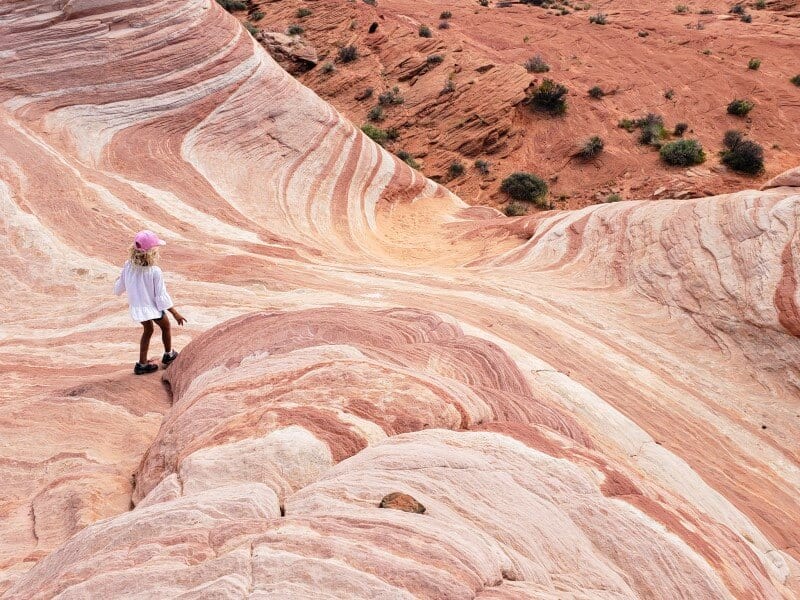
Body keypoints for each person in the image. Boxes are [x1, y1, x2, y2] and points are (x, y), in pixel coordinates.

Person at [114, 230, 186, 374]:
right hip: (151, 308)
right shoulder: (154, 271)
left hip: (137, 307)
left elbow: (120, 285)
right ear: (151, 252)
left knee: (148, 330)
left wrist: (117, 290)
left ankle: (141, 364)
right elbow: (161, 296)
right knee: (165, 326)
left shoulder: (128, 265)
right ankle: (168, 355)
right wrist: (175, 313)